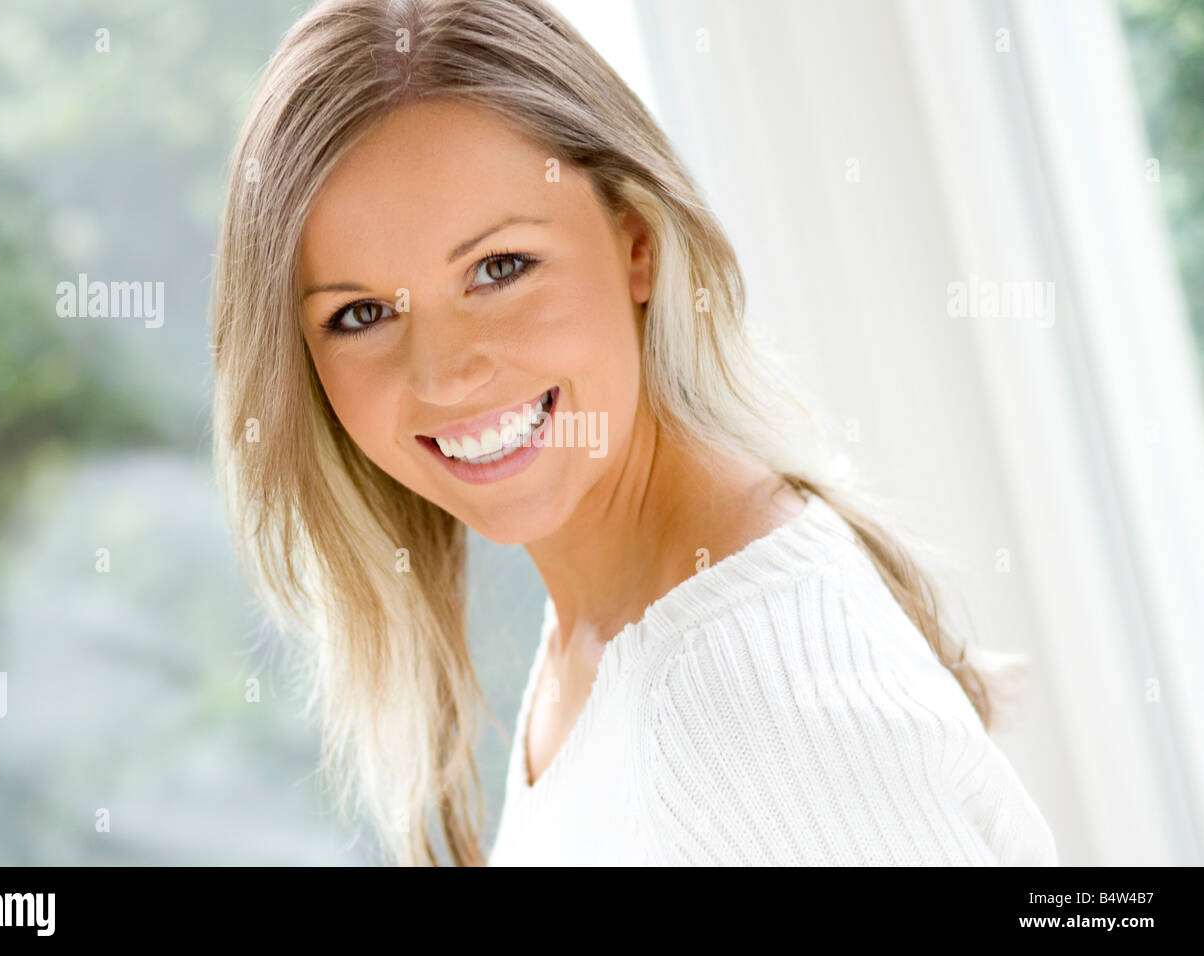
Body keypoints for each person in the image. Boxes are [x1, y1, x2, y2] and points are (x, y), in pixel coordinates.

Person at [209, 0, 1059, 866]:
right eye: (359, 314)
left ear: (636, 242)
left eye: (499, 269)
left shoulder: (746, 712)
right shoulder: (609, 619)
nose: (443, 373)